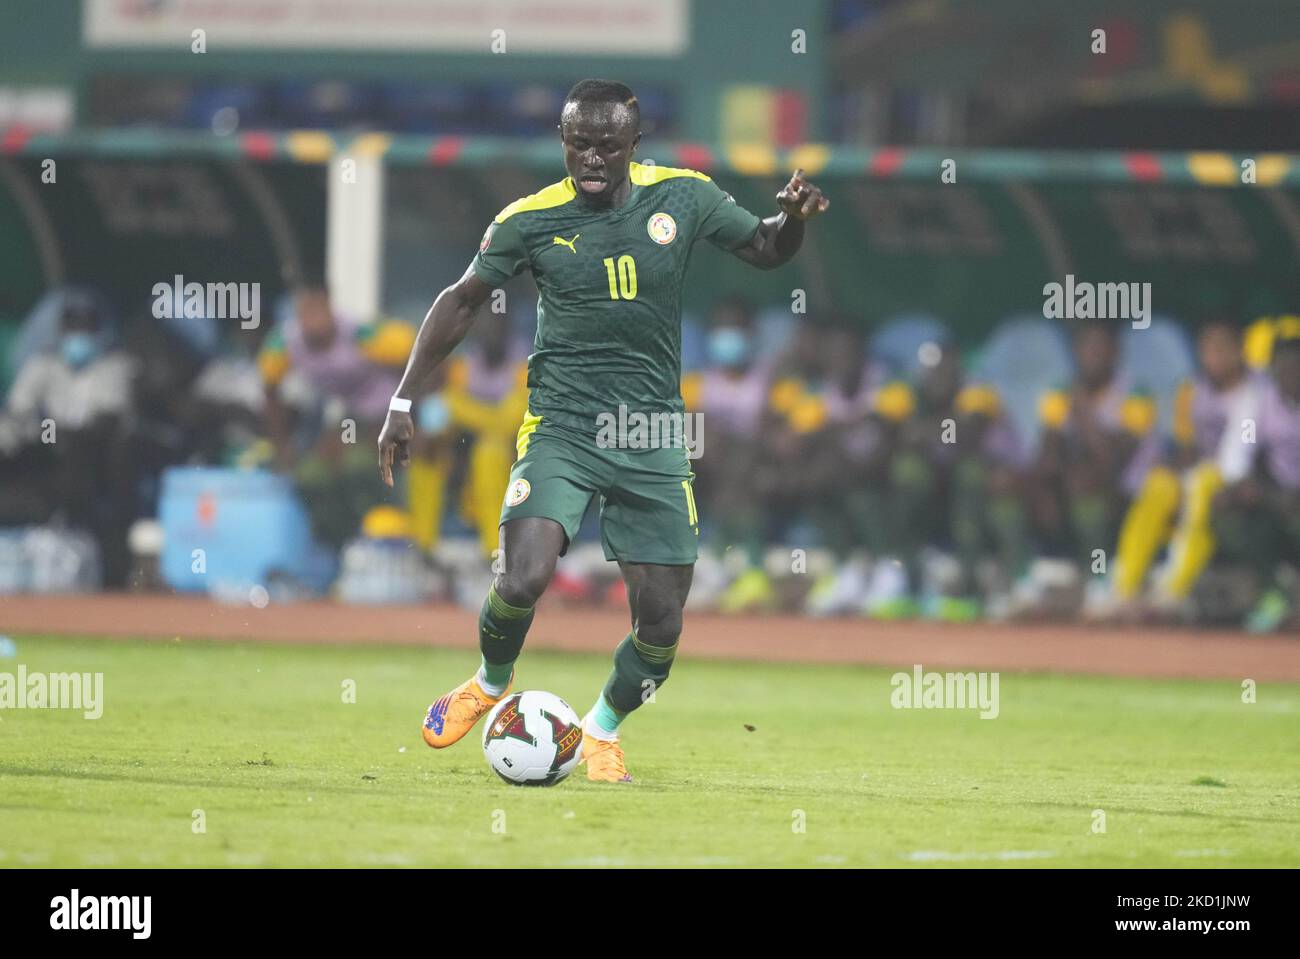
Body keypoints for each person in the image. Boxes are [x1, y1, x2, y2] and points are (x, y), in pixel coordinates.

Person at [378, 79, 829, 782]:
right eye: (578, 143)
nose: (591, 157)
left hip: (649, 434)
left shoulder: (684, 196)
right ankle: (489, 682)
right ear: (562, 141)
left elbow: (768, 248)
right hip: (563, 425)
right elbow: (461, 301)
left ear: (633, 145)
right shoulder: (530, 219)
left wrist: (794, 218)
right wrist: (403, 401)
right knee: (524, 576)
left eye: (607, 145)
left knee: (662, 625)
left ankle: (602, 727)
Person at [1104, 319, 1262, 618]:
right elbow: (1187, 445)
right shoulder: (1192, 390)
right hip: (1199, 472)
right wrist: (1174, 471)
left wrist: (1194, 480)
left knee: (1201, 485)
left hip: (1239, 480)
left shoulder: (1253, 394)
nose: (1215, 357)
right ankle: (1124, 588)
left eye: (1223, 349)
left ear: (1239, 352)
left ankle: (1173, 591)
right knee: (1159, 482)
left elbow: (1241, 455)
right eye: (1209, 350)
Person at [0, 290, 138, 585]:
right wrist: (42, 432)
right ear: (61, 331)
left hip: (96, 457)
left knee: (76, 445)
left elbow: (107, 421)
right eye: (72, 328)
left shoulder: (114, 366)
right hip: (48, 447)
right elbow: (19, 411)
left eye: (85, 328)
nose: (78, 337)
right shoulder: (44, 365)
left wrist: (61, 434)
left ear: (98, 332)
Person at [1212, 322, 1300, 632]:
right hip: (1276, 499)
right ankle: (1274, 594)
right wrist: (1251, 489)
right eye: (1285, 368)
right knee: (1225, 506)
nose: (1292, 375)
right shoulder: (1258, 401)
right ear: (1274, 370)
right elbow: (1233, 461)